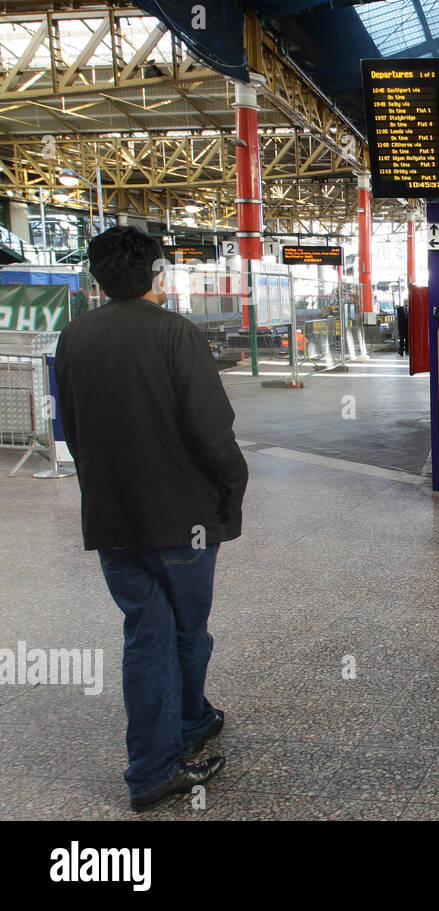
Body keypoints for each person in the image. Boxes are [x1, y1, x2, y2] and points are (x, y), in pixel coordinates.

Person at [54, 226, 247, 811]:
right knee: (187, 631)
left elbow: (74, 427)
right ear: (156, 275)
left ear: (99, 277)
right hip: (181, 518)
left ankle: (171, 741)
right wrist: (232, 489)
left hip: (111, 517)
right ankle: (172, 746)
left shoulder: (74, 336)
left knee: (146, 633)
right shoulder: (175, 333)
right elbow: (212, 430)